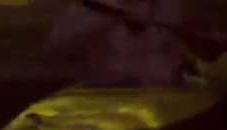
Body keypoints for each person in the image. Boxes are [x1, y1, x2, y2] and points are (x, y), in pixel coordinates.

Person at [47, 0, 226, 87]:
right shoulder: (88, 8)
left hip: (164, 95)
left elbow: (202, 49)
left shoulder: (171, 5)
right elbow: (56, 47)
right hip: (108, 94)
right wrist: (103, 19)